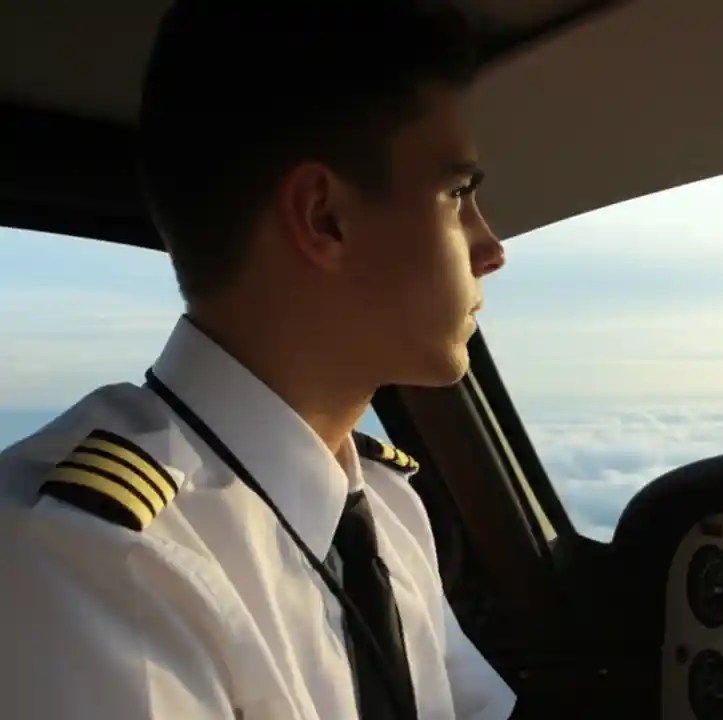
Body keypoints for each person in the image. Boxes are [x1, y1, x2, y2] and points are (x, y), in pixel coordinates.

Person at [0, 1, 516, 718]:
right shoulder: (96, 562)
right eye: (457, 195)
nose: (491, 249)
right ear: (323, 218)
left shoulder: (385, 510)